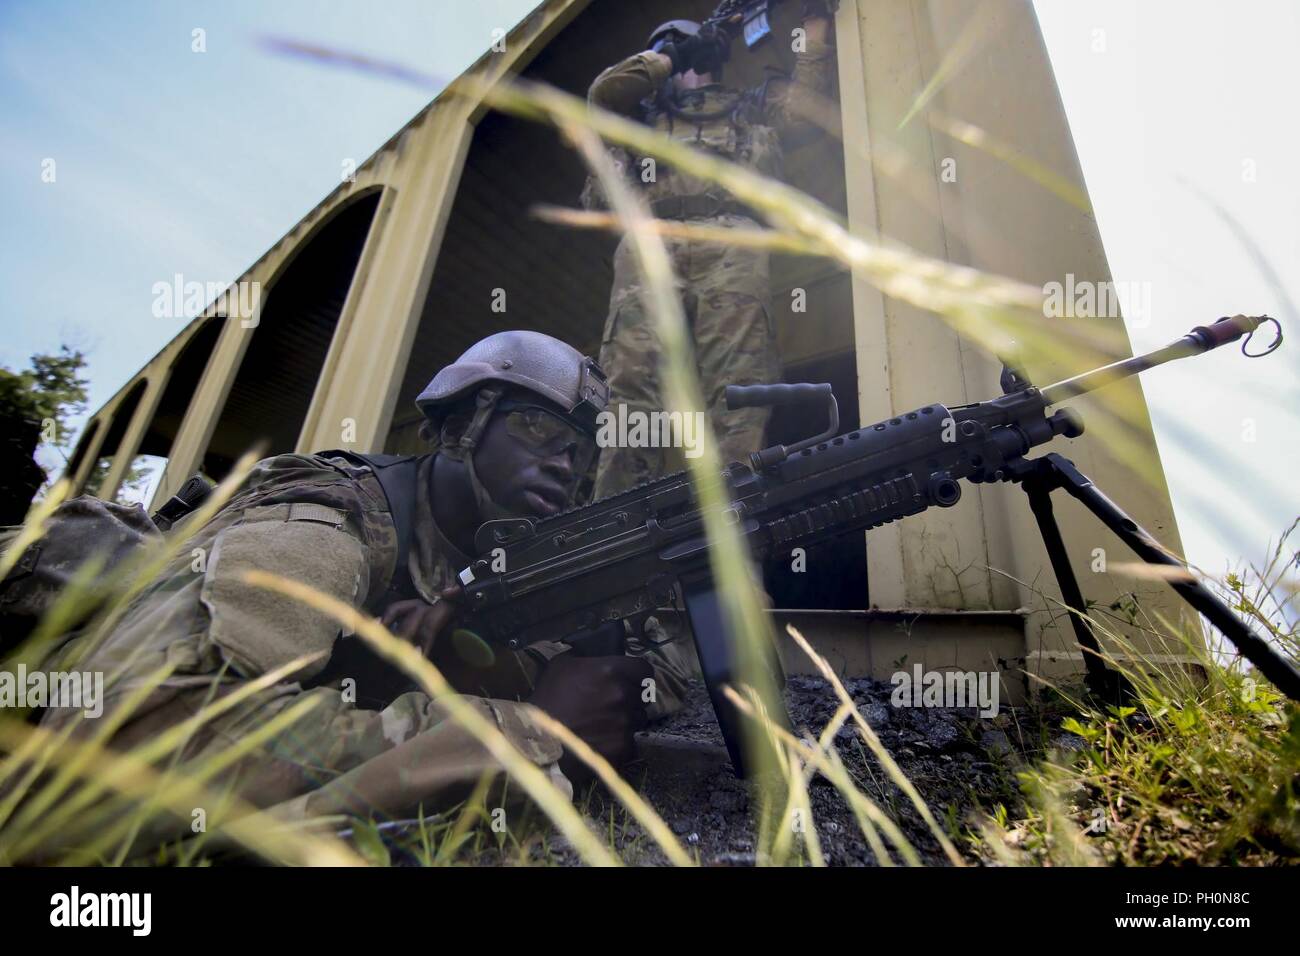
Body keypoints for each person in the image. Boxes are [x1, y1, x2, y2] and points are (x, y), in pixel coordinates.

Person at [36, 331, 691, 839]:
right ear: (460, 427)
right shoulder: (328, 522)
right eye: (536, 426)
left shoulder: (507, 565)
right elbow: (124, 743)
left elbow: (659, 675)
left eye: (581, 451)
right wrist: (523, 732)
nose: (564, 464)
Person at [583, 3, 836, 497]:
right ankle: (616, 530)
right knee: (631, 394)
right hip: (650, 244)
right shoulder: (636, 119)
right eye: (661, 54)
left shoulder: (750, 106)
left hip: (732, 241)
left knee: (739, 390)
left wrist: (814, 25)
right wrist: (672, 58)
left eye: (684, 51)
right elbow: (603, 94)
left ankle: (738, 523)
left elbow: (808, 102)